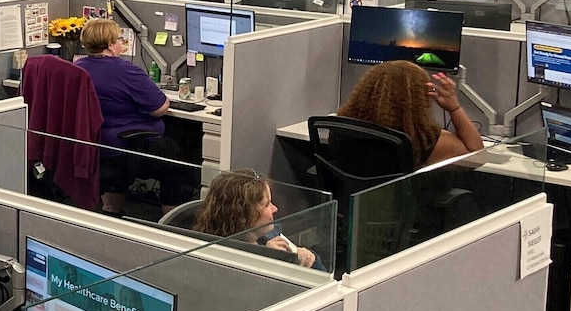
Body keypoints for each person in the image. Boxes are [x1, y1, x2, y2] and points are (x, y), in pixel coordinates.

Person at [74, 19, 174, 214]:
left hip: (93, 141)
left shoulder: (77, 67)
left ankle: (111, 208)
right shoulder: (125, 70)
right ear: (111, 45)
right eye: (120, 39)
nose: (122, 43)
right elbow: (160, 108)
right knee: (177, 165)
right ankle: (173, 224)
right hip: (123, 144)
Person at [338, 60, 482, 167]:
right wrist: (454, 108)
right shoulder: (422, 141)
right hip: (399, 200)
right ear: (418, 99)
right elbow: (476, 156)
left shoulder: (340, 128)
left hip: (350, 199)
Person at [194, 169, 319, 270]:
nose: (275, 209)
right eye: (267, 204)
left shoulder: (270, 233)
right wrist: (266, 260)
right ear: (244, 215)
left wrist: (308, 258)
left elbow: (321, 272)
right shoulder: (215, 258)